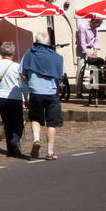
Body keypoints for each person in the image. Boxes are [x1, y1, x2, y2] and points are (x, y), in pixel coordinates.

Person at [20, 32, 64, 160]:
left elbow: (22, 73)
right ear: (48, 42)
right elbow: (62, 75)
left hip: (35, 92)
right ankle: (50, 152)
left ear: (35, 41)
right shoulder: (56, 56)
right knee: (52, 123)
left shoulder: (29, 54)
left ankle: (36, 139)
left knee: (35, 119)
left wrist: (30, 83)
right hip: (51, 92)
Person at [0, 41, 27, 158]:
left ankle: (11, 150)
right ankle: (15, 140)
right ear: (12, 53)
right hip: (14, 97)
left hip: (0, 97)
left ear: (1, 52)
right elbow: (22, 85)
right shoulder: (16, 67)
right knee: (18, 123)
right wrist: (27, 98)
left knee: (8, 123)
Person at [76, 18, 105, 95]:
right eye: (97, 25)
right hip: (81, 49)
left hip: (91, 48)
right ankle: (78, 90)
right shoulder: (82, 26)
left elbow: (96, 40)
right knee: (81, 68)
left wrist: (95, 51)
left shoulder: (95, 28)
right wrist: (87, 53)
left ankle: (95, 89)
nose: (97, 27)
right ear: (93, 22)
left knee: (95, 67)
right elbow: (82, 41)